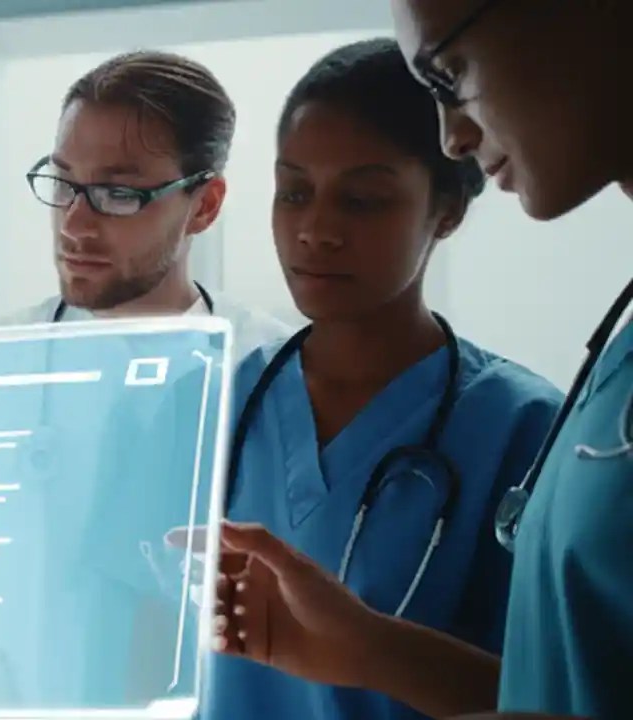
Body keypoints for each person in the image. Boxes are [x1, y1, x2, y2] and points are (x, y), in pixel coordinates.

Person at [194, 3, 633, 719]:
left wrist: (371, 652)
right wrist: (365, 646)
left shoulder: (523, 425)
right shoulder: (213, 401)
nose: (315, 231)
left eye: (363, 199)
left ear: (447, 213)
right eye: (293, 192)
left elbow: (545, 683)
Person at [2, 50, 289, 358]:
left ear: (205, 205)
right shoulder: (0, 358)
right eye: (62, 183)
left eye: (118, 194)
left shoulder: (271, 368)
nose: (73, 227)